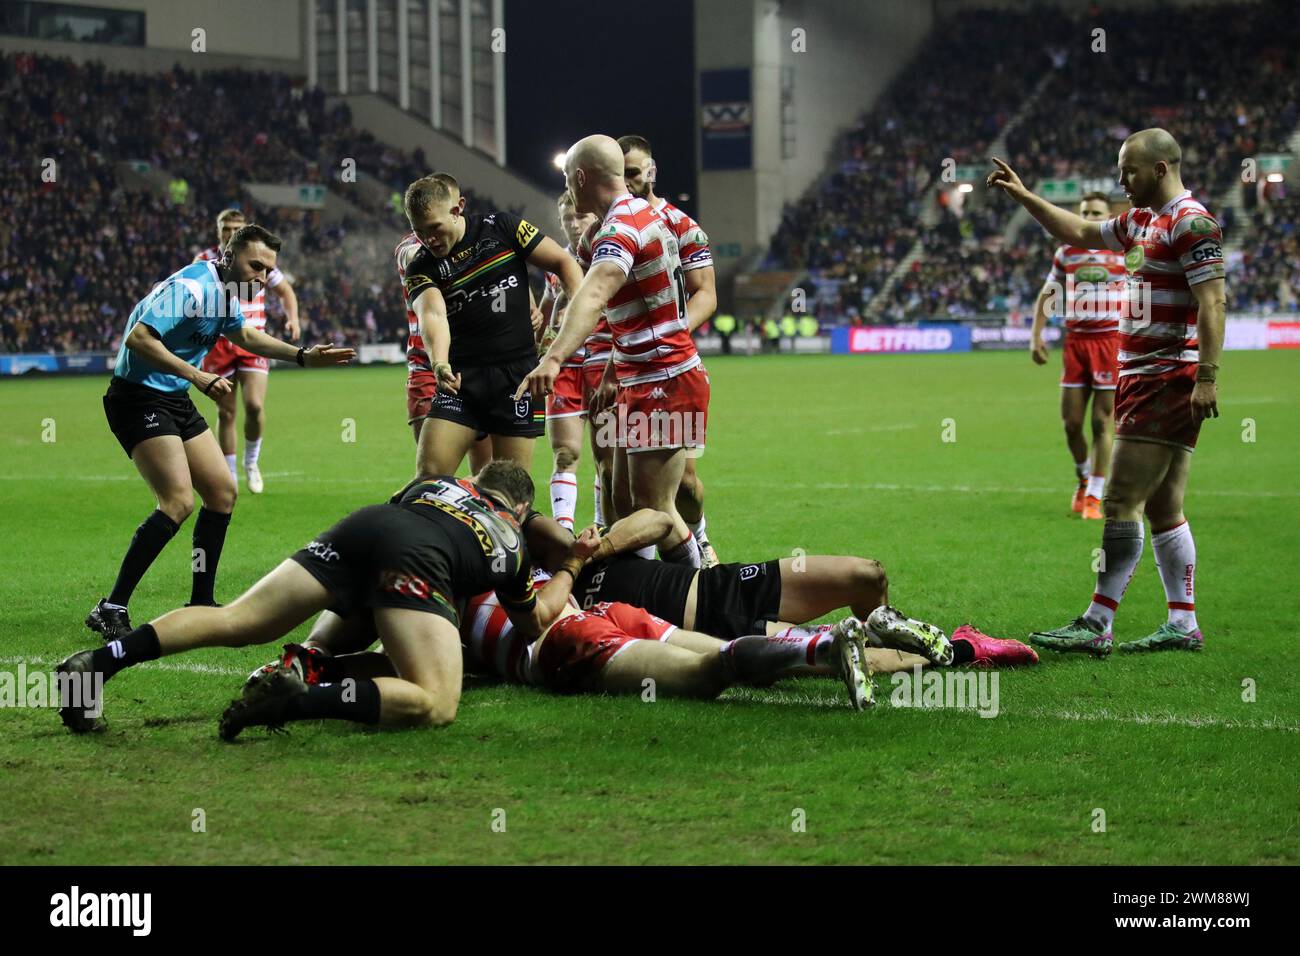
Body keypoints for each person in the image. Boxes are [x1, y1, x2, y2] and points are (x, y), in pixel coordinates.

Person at [59, 462, 593, 736]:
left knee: (235, 619)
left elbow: (381, 556)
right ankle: (296, 701)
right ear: (521, 508)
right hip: (416, 559)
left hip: (365, 524)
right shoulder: (508, 537)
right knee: (436, 702)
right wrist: (570, 565)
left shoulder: (432, 484)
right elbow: (533, 623)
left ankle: (99, 664)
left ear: (475, 481)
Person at [988, 128, 1225, 654]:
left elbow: (1213, 302)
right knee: (1165, 507)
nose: (1122, 180)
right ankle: (1182, 623)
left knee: (1118, 499)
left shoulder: (1191, 221)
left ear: (1161, 169)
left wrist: (1207, 376)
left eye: (1129, 171)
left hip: (1165, 376)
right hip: (1142, 375)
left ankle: (1097, 623)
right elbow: (1080, 230)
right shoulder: (1141, 220)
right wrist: (1025, 197)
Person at [87, 224, 353, 643]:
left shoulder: (230, 293)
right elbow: (138, 338)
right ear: (228, 257)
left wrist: (302, 356)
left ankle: (201, 603)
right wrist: (198, 375)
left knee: (222, 494)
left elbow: (245, 336)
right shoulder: (193, 287)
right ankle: (111, 606)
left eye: (269, 270)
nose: (262, 277)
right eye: (255, 266)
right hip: (137, 397)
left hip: (172, 395)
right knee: (177, 502)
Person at [517, 135, 708, 568]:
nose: (567, 188)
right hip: (634, 374)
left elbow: (593, 293)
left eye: (568, 178)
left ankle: (702, 595)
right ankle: (635, 595)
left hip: (666, 376)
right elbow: (571, 274)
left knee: (654, 509)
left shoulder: (624, 224)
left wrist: (553, 357)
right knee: (621, 498)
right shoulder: (612, 224)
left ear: (581, 178)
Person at [402, 173, 583, 478]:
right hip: (461, 379)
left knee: (507, 489)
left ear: (458, 208)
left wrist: (577, 313)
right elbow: (433, 314)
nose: (429, 239)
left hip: (517, 377)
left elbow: (563, 263)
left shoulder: (502, 227)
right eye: (419, 232)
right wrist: (439, 362)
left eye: (434, 228)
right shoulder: (421, 265)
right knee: (428, 477)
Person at [618, 135, 721, 566]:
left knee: (683, 486)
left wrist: (670, 330)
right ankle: (640, 579)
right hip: (619, 368)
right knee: (617, 478)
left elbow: (706, 294)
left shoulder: (681, 225)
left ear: (652, 172)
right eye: (619, 174)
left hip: (667, 368)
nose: (627, 182)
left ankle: (698, 537)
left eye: (634, 173)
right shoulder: (612, 226)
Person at [1028, 192, 1127, 520]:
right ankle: (1084, 479)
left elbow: (1146, 288)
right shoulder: (1066, 253)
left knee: (1102, 421)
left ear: (1108, 215)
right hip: (1076, 343)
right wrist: (1036, 334)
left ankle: (1096, 496)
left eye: (1096, 212)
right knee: (1071, 424)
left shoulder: (1124, 251)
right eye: (1085, 212)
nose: (1089, 216)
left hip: (1109, 342)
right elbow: (1048, 293)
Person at [196, 208, 301, 494]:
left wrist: (292, 317)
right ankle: (228, 474)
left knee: (254, 406)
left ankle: (251, 463)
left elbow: (286, 291)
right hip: (219, 343)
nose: (231, 233)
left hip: (252, 337)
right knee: (226, 412)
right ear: (218, 230)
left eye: (236, 228)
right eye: (226, 228)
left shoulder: (259, 259)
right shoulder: (205, 261)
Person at [537, 191, 597, 531]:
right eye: (567, 219)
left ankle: (603, 528)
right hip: (567, 368)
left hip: (608, 364)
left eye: (581, 217)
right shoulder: (557, 262)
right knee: (566, 453)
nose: (574, 225)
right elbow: (546, 311)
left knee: (610, 462)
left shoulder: (613, 257)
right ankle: (564, 533)